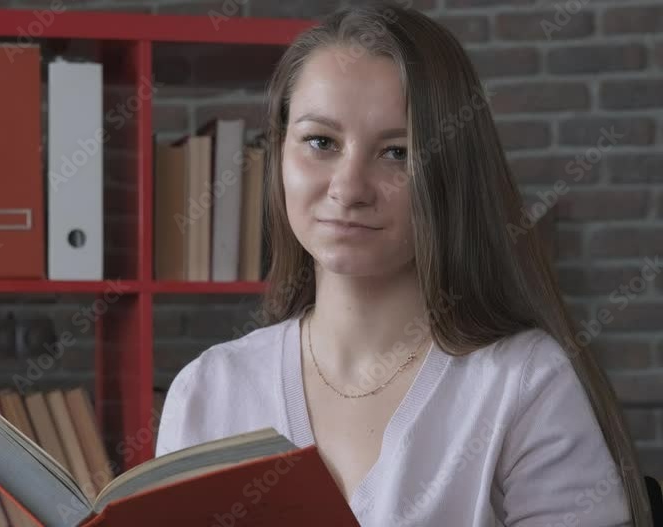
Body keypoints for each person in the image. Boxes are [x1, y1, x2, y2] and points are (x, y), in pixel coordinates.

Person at [154, 2, 653, 525]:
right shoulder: (208, 390)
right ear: (279, 153)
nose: (348, 189)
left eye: (397, 153)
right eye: (320, 142)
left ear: (450, 172)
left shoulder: (524, 382)